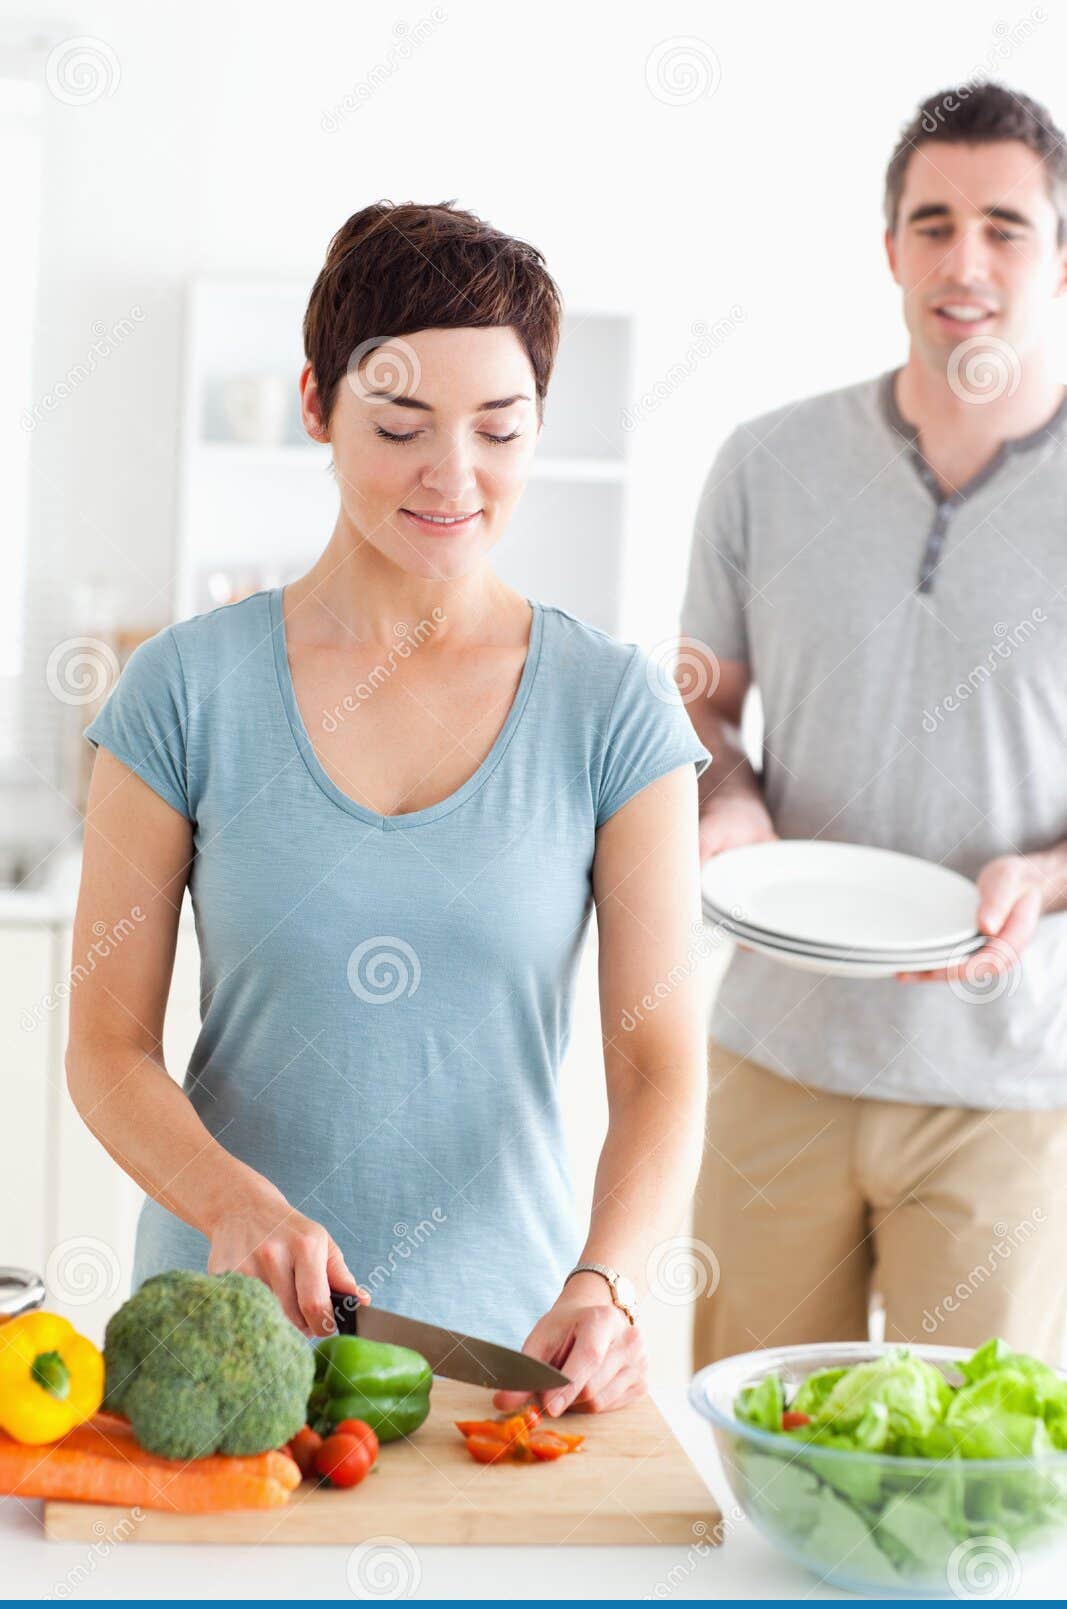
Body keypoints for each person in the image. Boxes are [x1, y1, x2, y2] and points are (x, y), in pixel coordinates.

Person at [68, 201, 711, 1418]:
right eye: (400, 424)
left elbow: (658, 1065)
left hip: (507, 1364)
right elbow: (106, 1050)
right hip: (214, 1355)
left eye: (499, 430)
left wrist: (605, 1282)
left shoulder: (610, 706)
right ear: (315, 404)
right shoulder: (183, 689)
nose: (452, 477)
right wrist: (232, 1201)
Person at [681, 85, 1067, 1366]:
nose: (965, 260)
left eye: (1004, 226)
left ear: (1057, 252)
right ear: (888, 247)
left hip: (1004, 1085)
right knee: (738, 1444)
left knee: (967, 1484)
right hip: (778, 1056)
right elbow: (700, 701)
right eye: (933, 221)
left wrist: (1042, 877)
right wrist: (723, 794)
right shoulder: (763, 463)